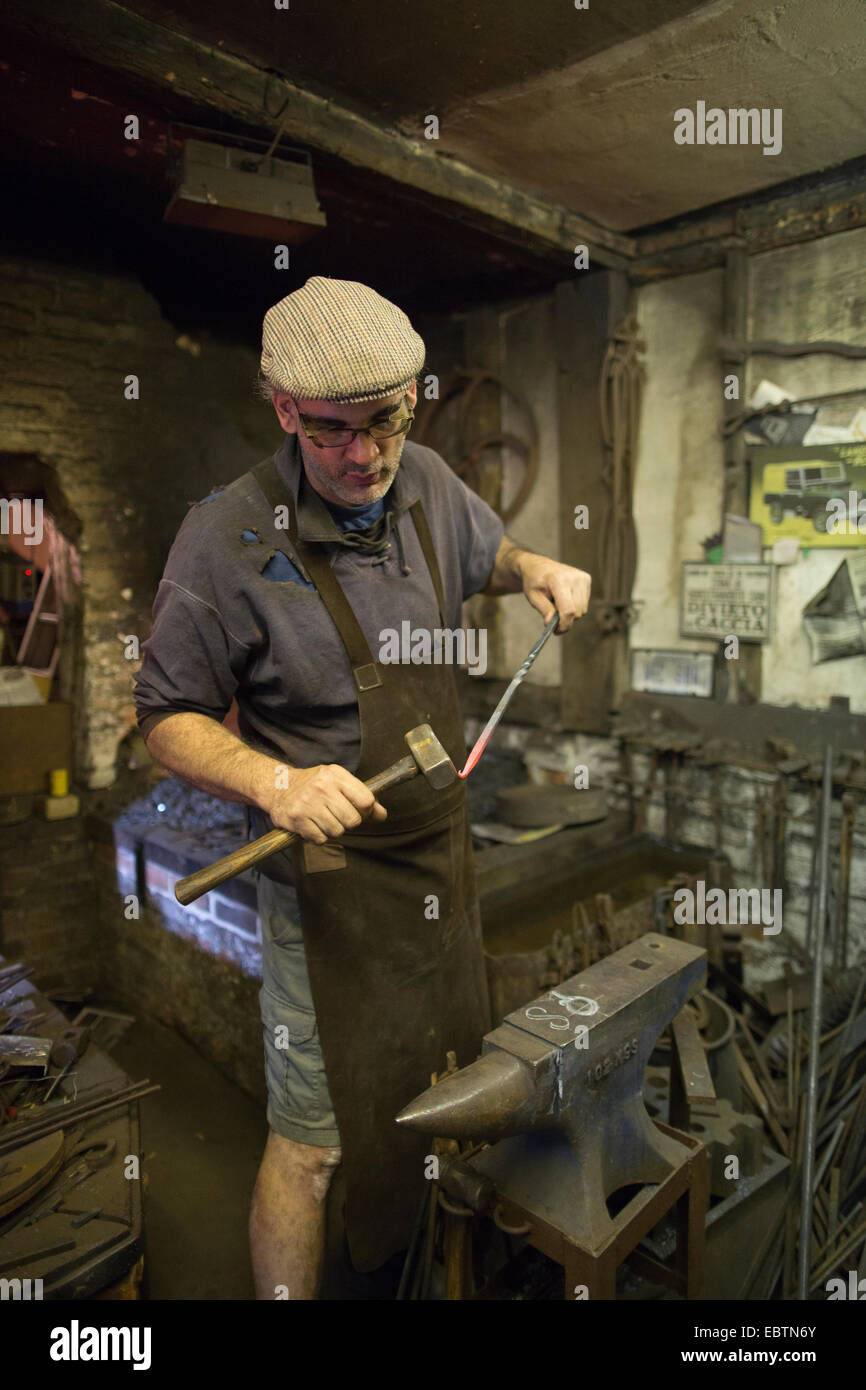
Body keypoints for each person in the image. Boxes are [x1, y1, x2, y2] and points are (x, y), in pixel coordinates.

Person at [133, 276, 591, 1298]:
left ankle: (422, 1268)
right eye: (333, 432)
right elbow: (163, 716)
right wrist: (272, 778)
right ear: (283, 408)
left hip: (439, 861)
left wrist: (531, 569)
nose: (363, 457)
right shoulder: (225, 538)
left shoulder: (422, 478)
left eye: (384, 423)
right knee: (312, 1145)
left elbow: (489, 549)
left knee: (451, 1095)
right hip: (327, 884)